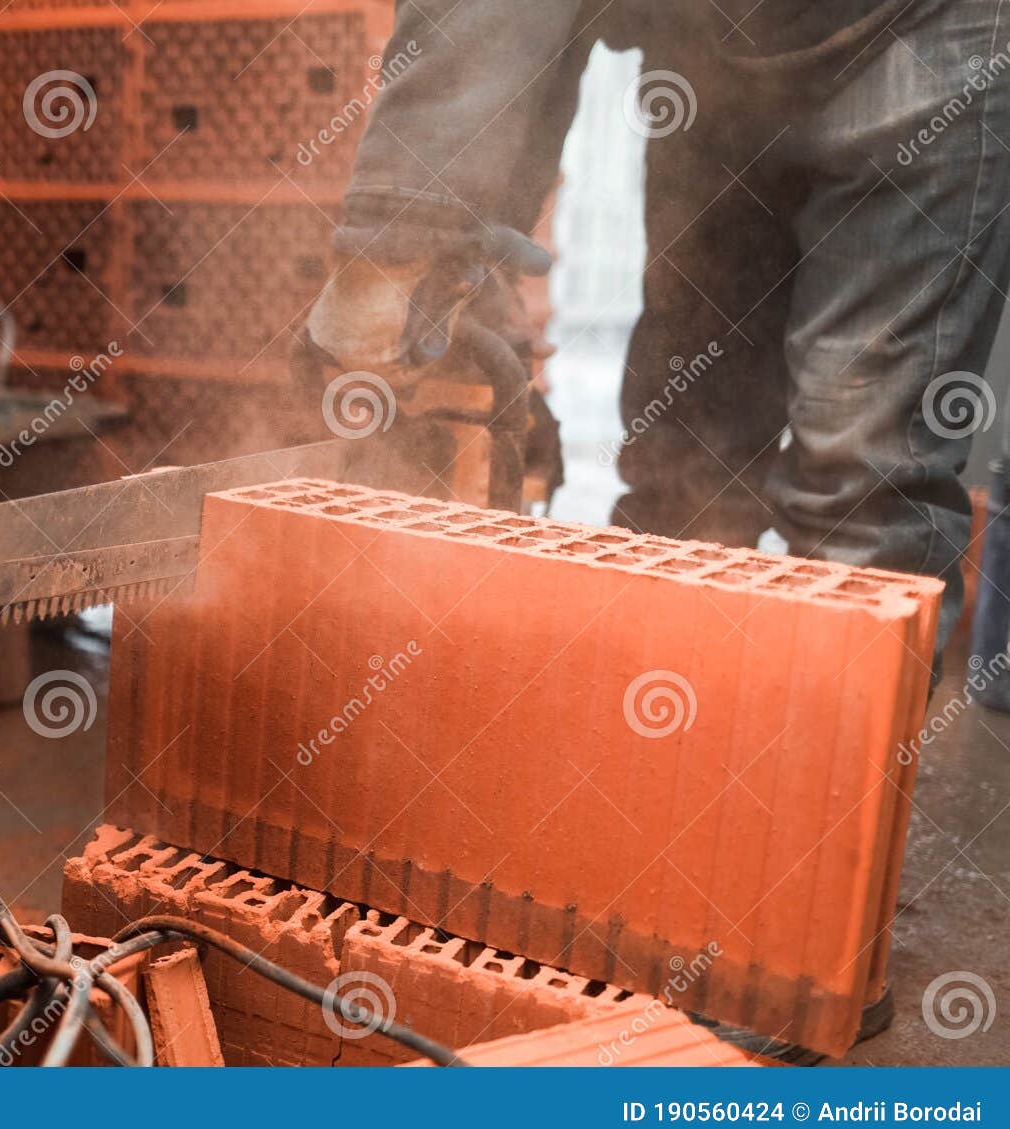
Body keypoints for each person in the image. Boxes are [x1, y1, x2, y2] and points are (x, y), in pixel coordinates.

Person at [301, 0, 1010, 682]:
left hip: (927, 35)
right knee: (687, 462)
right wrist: (462, 256)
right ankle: (657, 758)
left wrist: (394, 242)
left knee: (863, 482)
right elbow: (521, 37)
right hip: (719, 53)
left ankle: (823, 789)